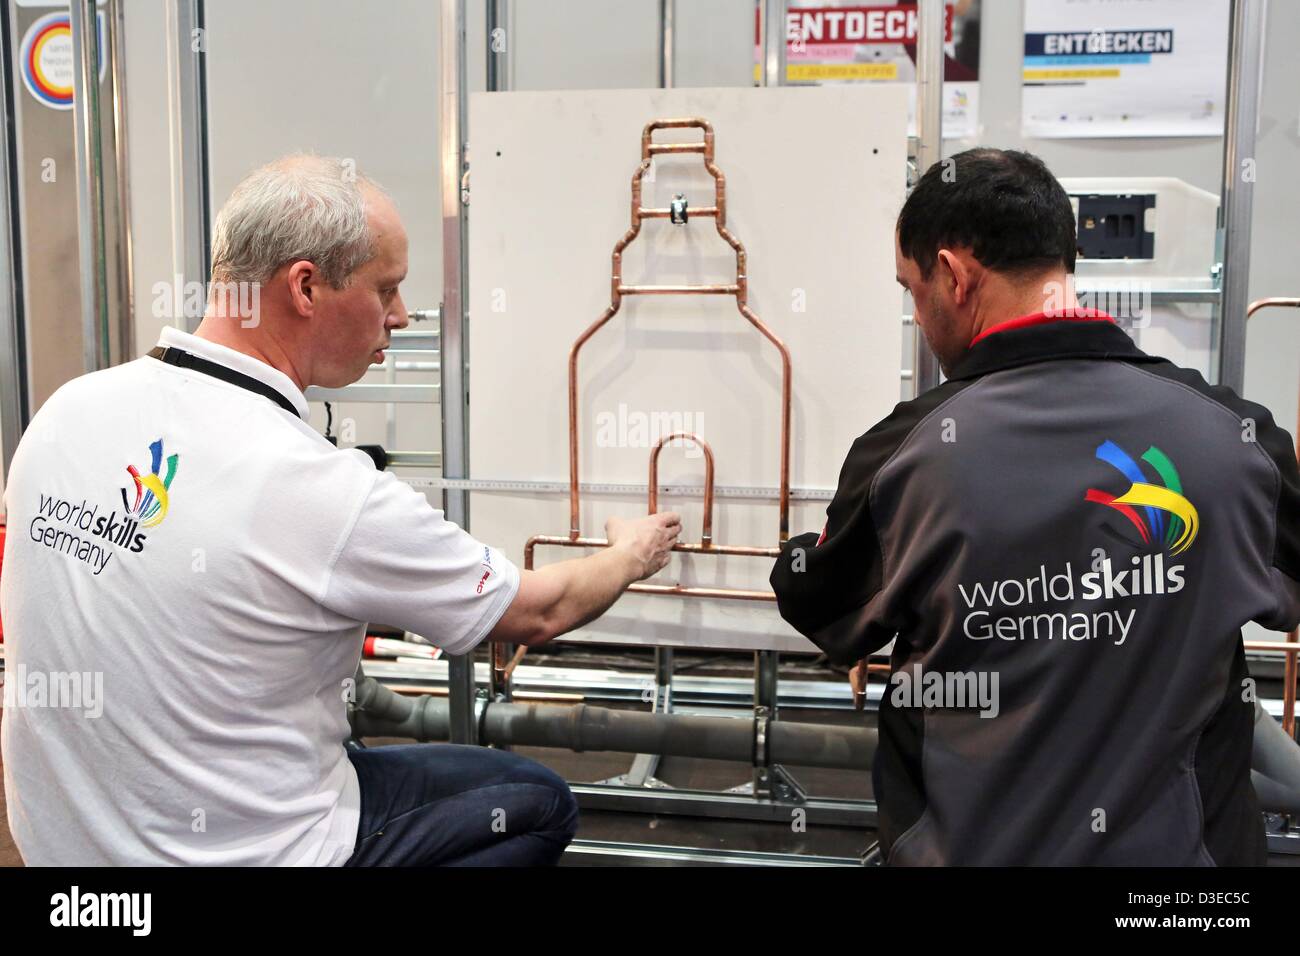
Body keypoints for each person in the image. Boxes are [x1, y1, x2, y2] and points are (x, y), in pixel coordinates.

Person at [1, 155, 681, 866]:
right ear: (305, 286)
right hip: (239, 855)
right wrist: (631, 551)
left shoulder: (67, 411)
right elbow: (537, 612)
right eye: (386, 288)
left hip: (65, 854)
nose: (401, 314)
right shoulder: (318, 488)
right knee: (537, 802)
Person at [770, 147, 1300, 865]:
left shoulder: (906, 458)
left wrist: (805, 549)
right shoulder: (1236, 440)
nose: (918, 313)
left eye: (911, 288)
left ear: (954, 277)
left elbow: (819, 601)